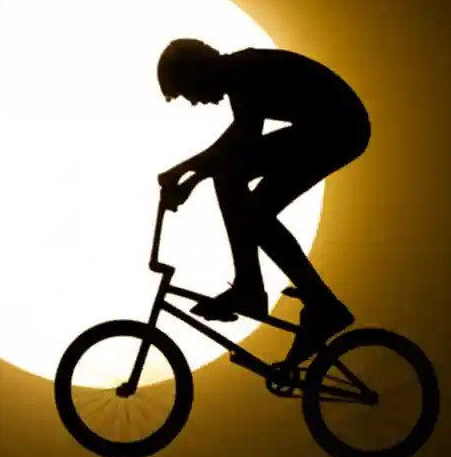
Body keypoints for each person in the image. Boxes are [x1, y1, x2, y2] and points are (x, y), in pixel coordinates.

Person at [155, 38, 370, 341]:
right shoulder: (240, 75)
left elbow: (240, 143)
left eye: (186, 91)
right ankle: (292, 296)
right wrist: (188, 177)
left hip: (336, 130)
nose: (193, 101)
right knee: (247, 201)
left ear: (197, 72)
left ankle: (269, 293)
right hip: (333, 129)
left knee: (247, 202)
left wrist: (185, 173)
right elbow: (235, 143)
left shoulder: (245, 73)